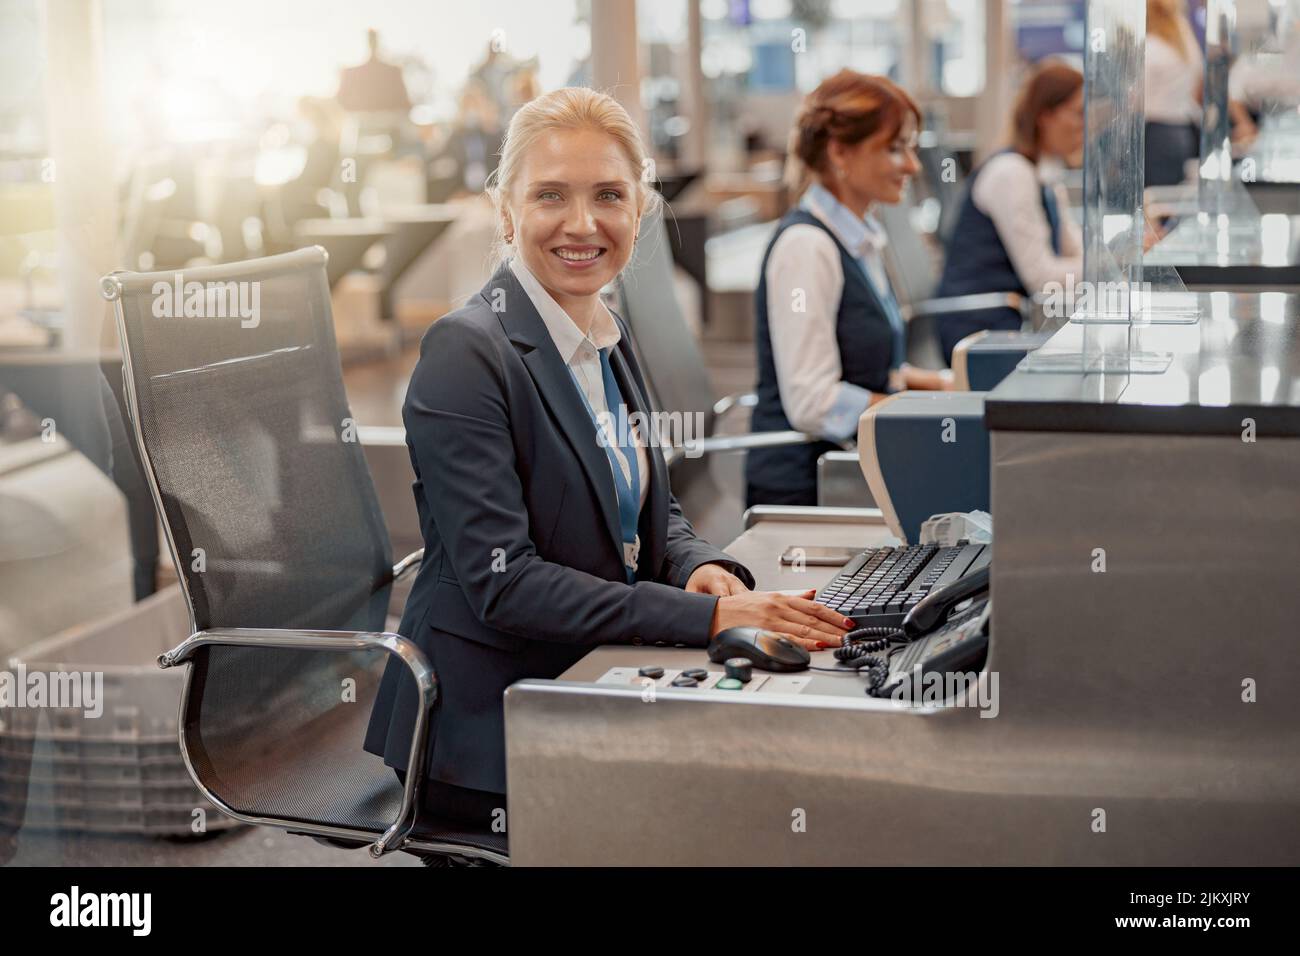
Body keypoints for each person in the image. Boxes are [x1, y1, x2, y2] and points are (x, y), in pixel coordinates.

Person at [364, 87, 854, 830]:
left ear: (640, 210)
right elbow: (509, 586)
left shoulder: (603, 331)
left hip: (586, 669)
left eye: (609, 196)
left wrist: (695, 565)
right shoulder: (466, 353)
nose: (583, 223)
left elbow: (651, 504)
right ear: (506, 211)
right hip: (487, 725)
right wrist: (709, 614)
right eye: (551, 195)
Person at [745, 70, 949, 510]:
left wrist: (943, 386)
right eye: (895, 149)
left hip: (856, 468)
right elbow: (814, 403)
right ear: (839, 152)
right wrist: (920, 412)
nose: (913, 165)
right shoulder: (808, 247)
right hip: (807, 490)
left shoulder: (859, 237)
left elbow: (871, 367)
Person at [934, 60, 1085, 366]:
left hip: (1015, 323)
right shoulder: (1011, 174)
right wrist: (1110, 266)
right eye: (1078, 113)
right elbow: (1042, 279)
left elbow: (1075, 252)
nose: (1086, 125)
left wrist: (1108, 262)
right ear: (1046, 116)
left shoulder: (1044, 175)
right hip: (979, 333)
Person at [1144, 0, 1203, 187]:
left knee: (1154, 198)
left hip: (1156, 134)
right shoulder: (1186, 44)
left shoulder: (1152, 48)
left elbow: (1136, 97)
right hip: (1182, 132)